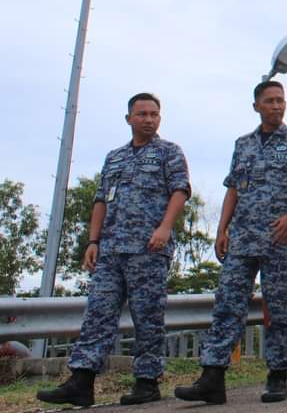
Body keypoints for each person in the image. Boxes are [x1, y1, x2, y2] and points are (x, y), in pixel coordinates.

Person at [38, 93, 190, 408]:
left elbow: (180, 191)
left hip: (148, 249)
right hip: (110, 250)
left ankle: (147, 382)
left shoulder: (168, 152)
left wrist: (164, 228)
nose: (149, 119)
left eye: (154, 114)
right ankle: (81, 382)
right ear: (129, 119)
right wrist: (92, 242)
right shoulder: (115, 157)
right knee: (97, 314)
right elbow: (100, 200)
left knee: (147, 316)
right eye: (142, 114)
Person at [175, 80, 287, 405]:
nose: (277, 106)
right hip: (241, 239)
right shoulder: (243, 145)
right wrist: (222, 229)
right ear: (256, 106)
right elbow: (233, 189)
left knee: (278, 309)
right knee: (227, 305)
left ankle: (278, 375)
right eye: (269, 101)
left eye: (281, 100)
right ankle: (212, 376)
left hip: (279, 238)